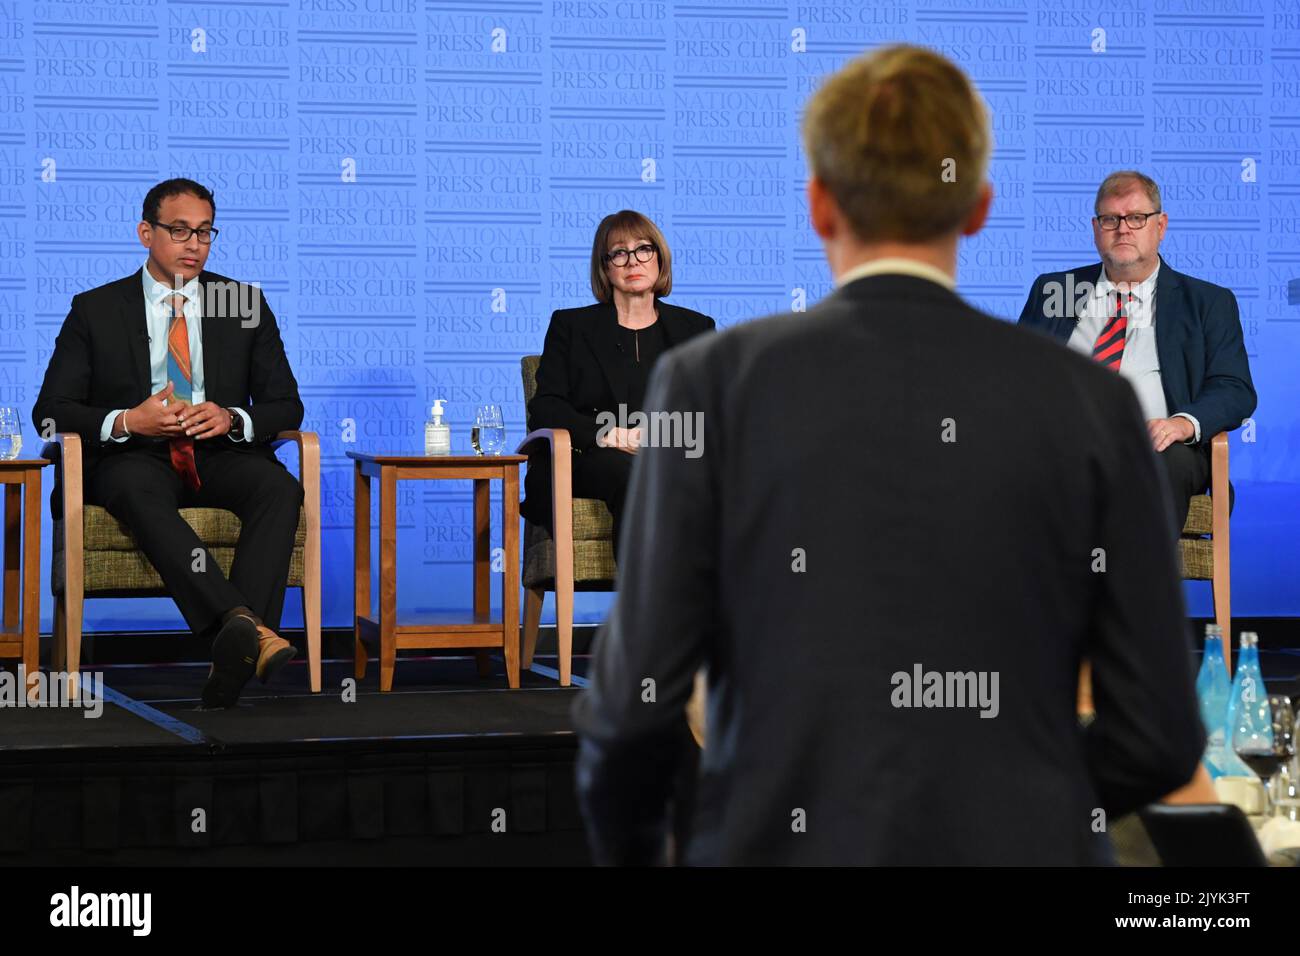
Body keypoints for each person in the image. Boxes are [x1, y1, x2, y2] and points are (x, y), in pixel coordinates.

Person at [572, 45, 1205, 865]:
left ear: (819, 204)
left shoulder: (707, 382)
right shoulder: (1091, 400)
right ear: (978, 205)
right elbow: (1158, 732)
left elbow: (630, 716)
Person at [34, 178, 305, 709]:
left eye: (205, 233)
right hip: (134, 455)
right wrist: (129, 420)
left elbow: (286, 407)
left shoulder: (243, 303)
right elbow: (51, 412)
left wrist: (231, 417)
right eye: (180, 230)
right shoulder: (96, 309)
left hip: (217, 452)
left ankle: (236, 645)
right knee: (135, 488)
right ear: (146, 232)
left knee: (278, 487)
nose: (194, 245)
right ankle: (249, 632)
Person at [1017, 171, 1256, 533]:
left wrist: (1181, 424)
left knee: (1160, 461)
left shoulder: (1207, 302)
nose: (1123, 229)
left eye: (1136, 218)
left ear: (1160, 226)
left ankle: (1126, 585)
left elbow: (1234, 388)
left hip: (1158, 445)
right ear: (1096, 229)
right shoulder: (1055, 291)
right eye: (1110, 219)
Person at [520, 210, 714, 555]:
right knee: (634, 471)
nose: (632, 261)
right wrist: (611, 435)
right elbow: (546, 407)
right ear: (605, 267)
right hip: (583, 459)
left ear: (659, 258)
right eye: (619, 253)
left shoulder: (695, 329)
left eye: (643, 249)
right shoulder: (571, 327)